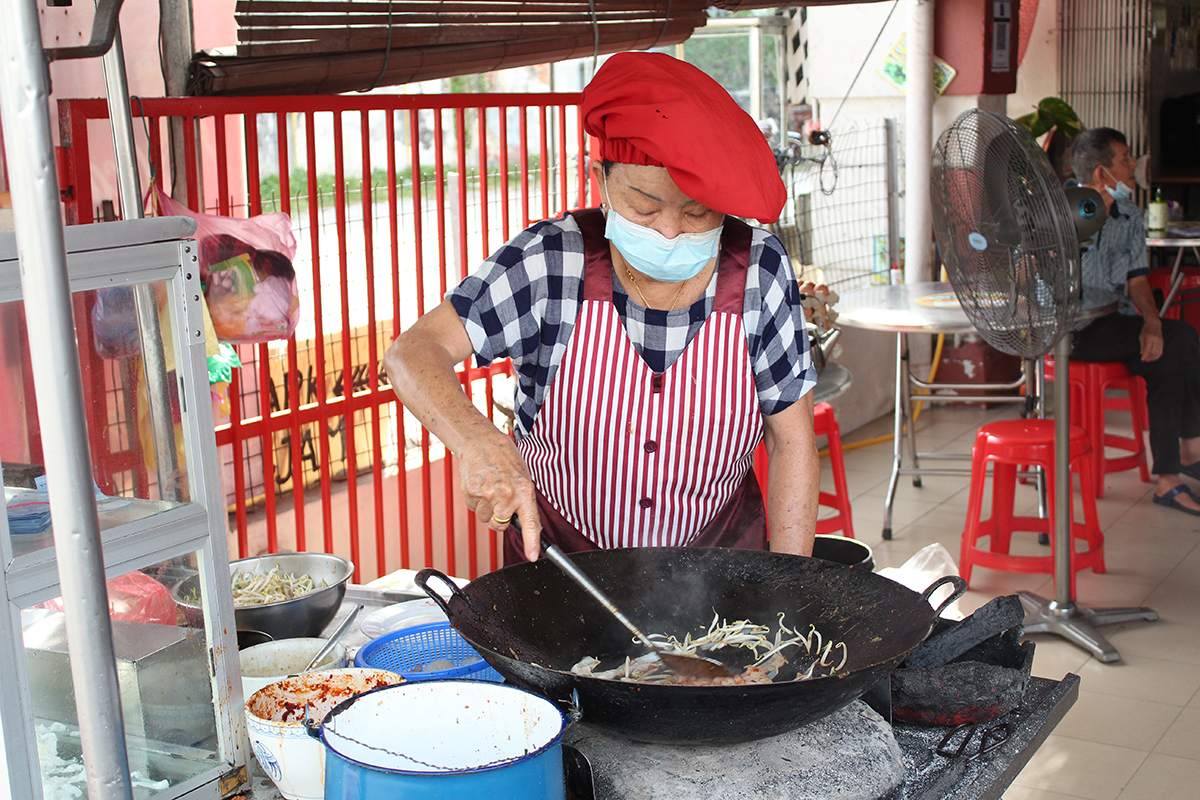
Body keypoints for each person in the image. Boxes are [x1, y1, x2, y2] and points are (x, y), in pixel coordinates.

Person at [383, 51, 820, 563]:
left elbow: (792, 445)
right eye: (644, 205)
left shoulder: (759, 268)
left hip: (719, 571)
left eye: (698, 211)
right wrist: (478, 442)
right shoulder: (551, 260)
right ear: (600, 179)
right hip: (563, 574)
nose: (670, 230)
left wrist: (788, 598)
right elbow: (412, 352)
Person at [1069, 126, 1200, 515]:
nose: (1133, 165)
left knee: (1170, 349)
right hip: (1075, 330)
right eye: (1125, 158)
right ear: (1100, 173)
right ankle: (1188, 453)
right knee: (1180, 341)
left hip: (1116, 321)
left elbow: (1138, 279)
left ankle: (1169, 478)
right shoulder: (1062, 210)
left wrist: (1151, 321)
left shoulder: (1129, 215)